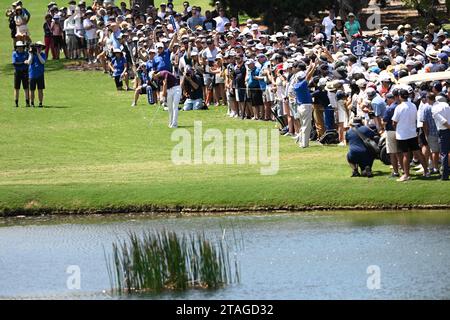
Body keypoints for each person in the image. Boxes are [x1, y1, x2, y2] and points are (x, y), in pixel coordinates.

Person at [392, 88, 429, 182]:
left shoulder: (399, 107)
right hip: (412, 133)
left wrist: (396, 128)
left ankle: (406, 175)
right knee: (417, 152)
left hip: (402, 134)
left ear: (400, 96)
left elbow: (394, 122)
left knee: (405, 154)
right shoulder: (413, 105)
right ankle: (426, 171)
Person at [432, 96, 450, 181]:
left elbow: (443, 121)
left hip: (444, 131)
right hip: (446, 130)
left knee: (444, 154)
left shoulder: (434, 108)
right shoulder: (446, 105)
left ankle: (445, 175)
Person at [27, 41, 46, 108]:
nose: (39, 48)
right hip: (32, 74)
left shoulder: (43, 54)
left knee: (40, 89)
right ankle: (32, 103)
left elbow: (43, 62)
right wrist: (31, 54)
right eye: (38, 47)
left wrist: (38, 54)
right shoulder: (31, 54)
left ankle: (40, 103)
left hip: (40, 74)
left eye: (40, 47)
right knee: (32, 90)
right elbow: (29, 62)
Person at [12, 41, 30, 108]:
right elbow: (14, 63)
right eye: (18, 47)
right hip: (17, 73)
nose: (20, 48)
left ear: (23, 47)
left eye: (21, 47)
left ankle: (27, 102)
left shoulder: (26, 53)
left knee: (26, 88)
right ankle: (16, 103)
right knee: (16, 88)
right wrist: (23, 63)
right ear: (16, 47)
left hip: (25, 72)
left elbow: (29, 62)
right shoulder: (14, 54)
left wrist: (25, 63)